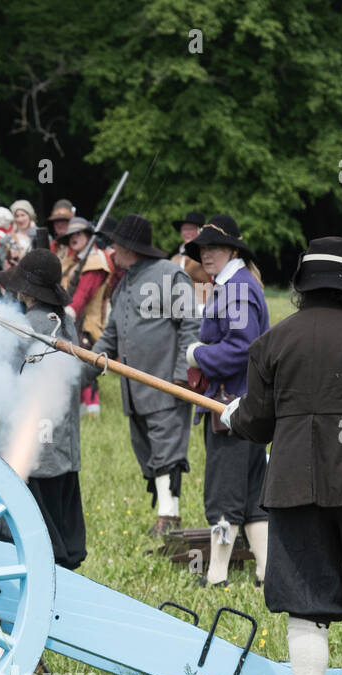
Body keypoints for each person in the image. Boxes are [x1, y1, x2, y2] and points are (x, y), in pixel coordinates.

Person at [224, 237, 342, 675]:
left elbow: (256, 425)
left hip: (294, 485)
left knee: (305, 602)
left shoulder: (271, 343)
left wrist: (232, 418)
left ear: (304, 288)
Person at [89, 213, 198, 536]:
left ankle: (169, 516)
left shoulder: (169, 275)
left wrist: (181, 375)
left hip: (165, 382)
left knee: (167, 451)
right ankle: (165, 511)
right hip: (134, 390)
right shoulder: (124, 283)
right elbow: (110, 336)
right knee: (147, 451)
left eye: (116, 245)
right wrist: (81, 369)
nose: (111, 250)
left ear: (129, 248)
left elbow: (191, 324)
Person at [182, 214, 270, 586]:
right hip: (246, 405)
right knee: (252, 494)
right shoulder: (237, 284)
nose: (206, 254)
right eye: (202, 248)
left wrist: (198, 354)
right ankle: (267, 572)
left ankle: (216, 575)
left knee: (223, 495)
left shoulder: (235, 287)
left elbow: (242, 347)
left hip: (230, 406)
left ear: (233, 249)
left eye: (213, 247)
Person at [0, 248, 87, 570]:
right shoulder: (64, 323)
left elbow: (4, 387)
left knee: (43, 540)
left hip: (34, 449)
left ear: (25, 292)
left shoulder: (23, 328)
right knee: (65, 537)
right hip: (63, 446)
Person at [55, 216, 113, 415]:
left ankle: (91, 410)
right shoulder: (71, 261)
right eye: (71, 234)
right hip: (70, 319)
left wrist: (68, 314)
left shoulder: (95, 262)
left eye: (78, 233)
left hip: (87, 322)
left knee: (84, 366)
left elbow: (84, 294)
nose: (74, 238)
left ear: (89, 236)